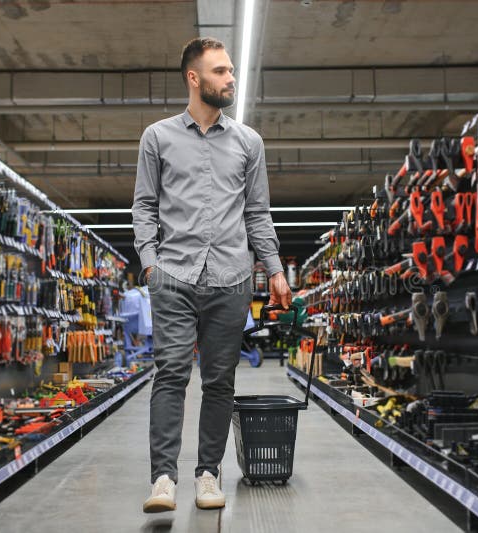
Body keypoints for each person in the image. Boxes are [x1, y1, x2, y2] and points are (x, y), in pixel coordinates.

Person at [132, 36, 292, 513]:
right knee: (171, 374)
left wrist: (275, 270)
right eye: (220, 71)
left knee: (220, 380)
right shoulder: (157, 137)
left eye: (231, 70)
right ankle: (163, 478)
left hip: (231, 277)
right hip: (174, 276)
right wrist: (150, 264)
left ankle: (208, 473)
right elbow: (144, 206)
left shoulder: (249, 142)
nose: (230, 78)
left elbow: (257, 214)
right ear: (194, 77)